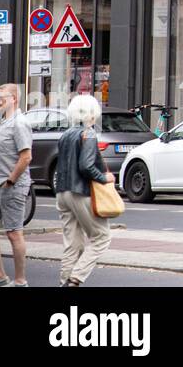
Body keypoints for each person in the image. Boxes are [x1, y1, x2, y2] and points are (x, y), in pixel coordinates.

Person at [53, 94, 115, 286]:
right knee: (102, 236)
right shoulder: (88, 134)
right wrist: (104, 177)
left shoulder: (65, 135)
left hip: (62, 192)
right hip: (80, 192)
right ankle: (76, 278)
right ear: (92, 113)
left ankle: (65, 282)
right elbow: (86, 166)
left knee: (72, 243)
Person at [0, 84, 33, 287]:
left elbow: (26, 156)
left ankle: (20, 281)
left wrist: (10, 180)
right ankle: (1, 277)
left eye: (1, 96)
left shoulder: (19, 123)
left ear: (14, 99)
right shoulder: (3, 121)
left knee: (13, 232)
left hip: (11, 186)